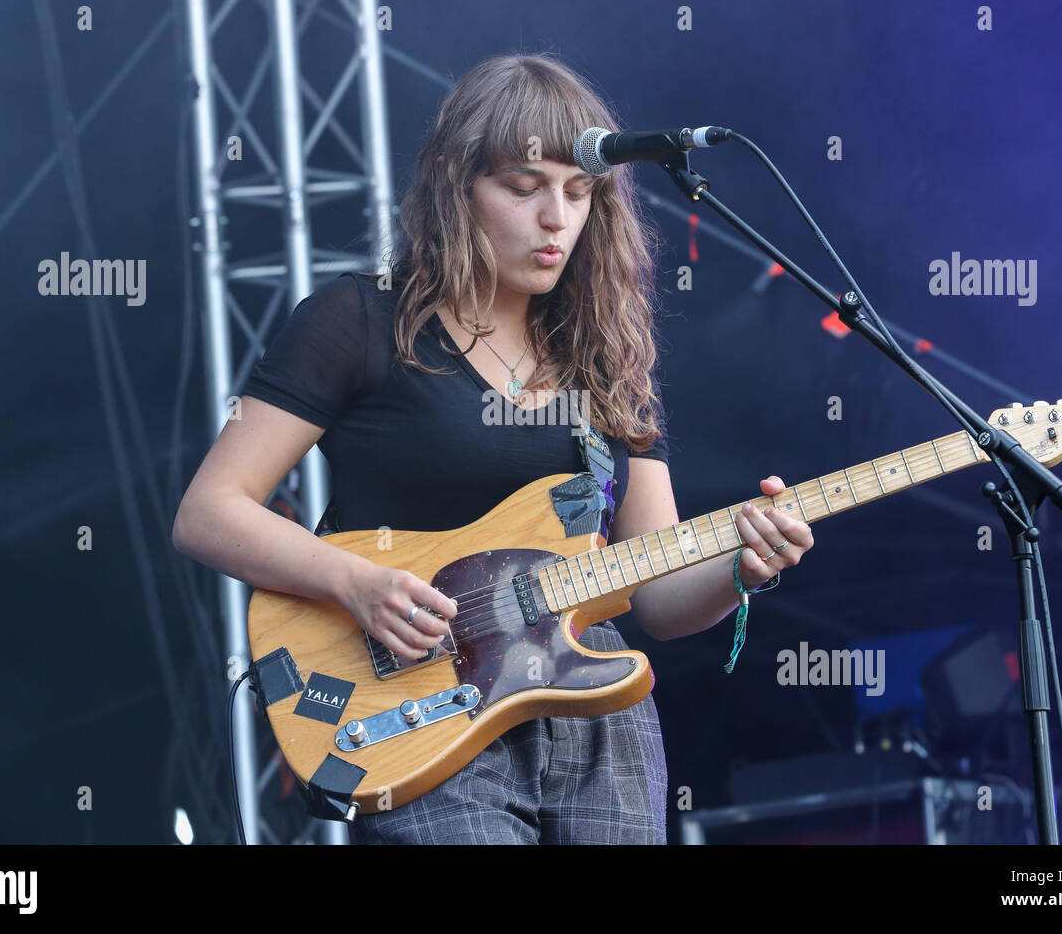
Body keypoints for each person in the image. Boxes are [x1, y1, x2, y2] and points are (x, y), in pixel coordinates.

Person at [173, 51, 813, 844]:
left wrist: (741, 568)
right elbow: (208, 512)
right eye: (524, 188)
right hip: (425, 699)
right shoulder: (358, 322)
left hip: (593, 715)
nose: (558, 219)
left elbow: (655, 589)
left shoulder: (606, 355)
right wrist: (357, 583)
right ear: (455, 185)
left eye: (579, 194)